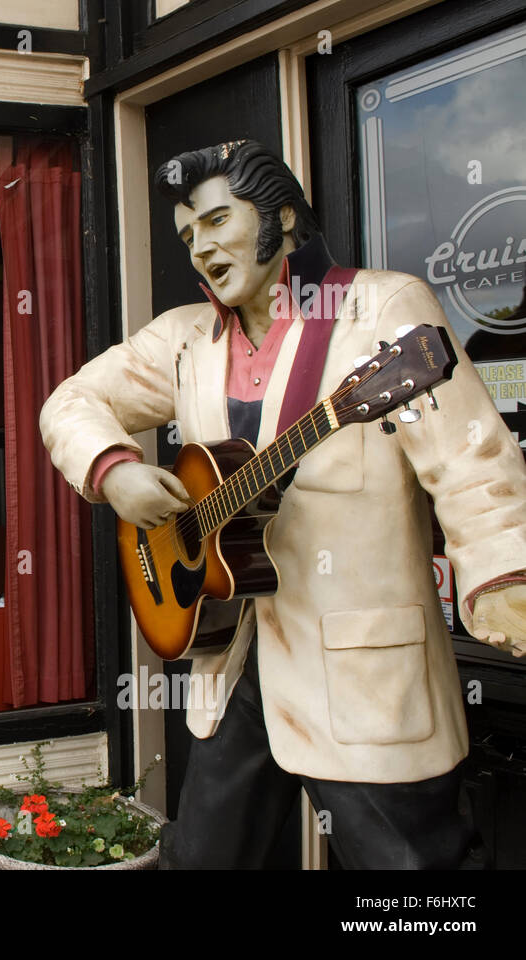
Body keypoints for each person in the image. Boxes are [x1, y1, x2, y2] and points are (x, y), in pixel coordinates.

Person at [40, 140, 526, 869]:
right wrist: (113, 471)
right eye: (188, 235)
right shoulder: (184, 339)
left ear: (284, 216)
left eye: (217, 221)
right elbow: (70, 400)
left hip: (363, 669)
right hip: (239, 657)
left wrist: (502, 575)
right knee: (201, 859)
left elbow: (472, 459)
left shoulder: (382, 308)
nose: (200, 248)